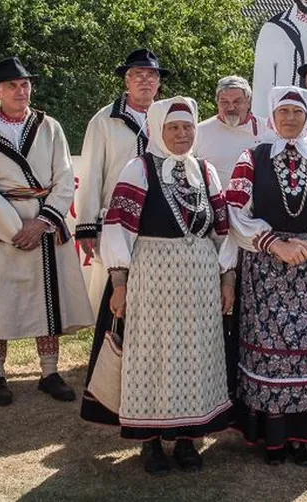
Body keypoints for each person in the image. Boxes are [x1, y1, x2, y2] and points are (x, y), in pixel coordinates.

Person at [84, 96, 236, 475]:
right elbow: (118, 229)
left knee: (196, 356)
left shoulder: (206, 171)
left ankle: (187, 438)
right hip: (153, 277)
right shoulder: (139, 169)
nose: (182, 134)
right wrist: (119, 282)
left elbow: (222, 230)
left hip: (200, 279)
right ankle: (150, 441)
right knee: (152, 355)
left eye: (187, 127)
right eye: (173, 127)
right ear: (156, 129)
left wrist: (227, 276)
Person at [224, 86, 307, 467]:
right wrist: (274, 244)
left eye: (298, 113)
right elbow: (236, 212)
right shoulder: (253, 157)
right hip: (267, 269)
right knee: (270, 352)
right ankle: (273, 437)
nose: (291, 119)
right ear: (272, 116)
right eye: (284, 112)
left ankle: (304, 437)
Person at [0, 56, 94, 406]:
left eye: (25, 85)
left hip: (44, 224)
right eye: (13, 86)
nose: (21, 91)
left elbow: (65, 178)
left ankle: (49, 371)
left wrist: (42, 222)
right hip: (1, 227)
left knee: (47, 301)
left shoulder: (49, 126)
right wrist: (13, 229)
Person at [76, 49, 163, 390]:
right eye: (137, 75)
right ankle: (107, 360)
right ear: (126, 80)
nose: (144, 81)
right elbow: (92, 172)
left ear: (158, 83)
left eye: (151, 76)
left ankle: (148, 360)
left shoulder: (166, 116)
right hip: (115, 222)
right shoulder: (105, 119)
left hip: (159, 223)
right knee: (114, 291)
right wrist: (86, 225)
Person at [193, 75, 262, 186]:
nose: (231, 108)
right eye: (224, 102)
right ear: (217, 103)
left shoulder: (267, 130)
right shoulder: (199, 131)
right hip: (213, 202)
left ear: (248, 102)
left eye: (237, 102)